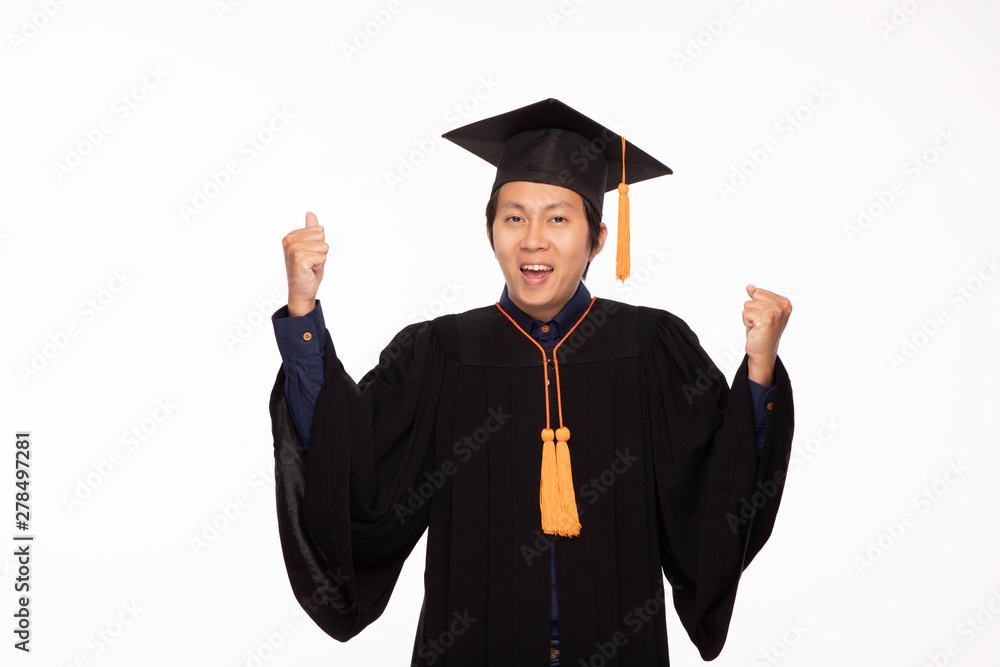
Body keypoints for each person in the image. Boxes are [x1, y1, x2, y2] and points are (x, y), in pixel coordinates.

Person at [268, 98, 794, 666]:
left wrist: (760, 368)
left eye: (558, 218)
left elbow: (720, 492)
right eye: (514, 217)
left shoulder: (650, 349)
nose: (533, 240)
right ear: (491, 230)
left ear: (597, 238)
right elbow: (347, 465)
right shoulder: (441, 355)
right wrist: (304, 312)